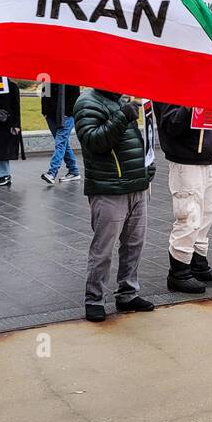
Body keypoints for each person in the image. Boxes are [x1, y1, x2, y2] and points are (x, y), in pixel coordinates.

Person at [72, 88, 156, 321]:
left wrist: (146, 165)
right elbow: (94, 141)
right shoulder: (86, 102)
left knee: (134, 245)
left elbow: (131, 143)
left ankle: (128, 293)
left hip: (136, 186)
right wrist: (123, 116)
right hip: (109, 189)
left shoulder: (120, 100)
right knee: (103, 249)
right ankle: (94, 298)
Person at [155, 102, 212, 294]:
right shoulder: (169, 88)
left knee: (208, 211)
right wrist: (190, 104)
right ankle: (179, 271)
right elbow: (171, 124)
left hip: (206, 158)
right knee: (189, 215)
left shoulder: (196, 86)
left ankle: (198, 262)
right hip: (185, 160)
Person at [40, 82, 81, 185]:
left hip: (66, 117)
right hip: (51, 116)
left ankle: (52, 173)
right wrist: (45, 112)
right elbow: (44, 95)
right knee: (63, 144)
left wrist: (68, 113)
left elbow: (75, 99)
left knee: (60, 143)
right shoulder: (48, 79)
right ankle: (74, 171)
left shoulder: (72, 79)